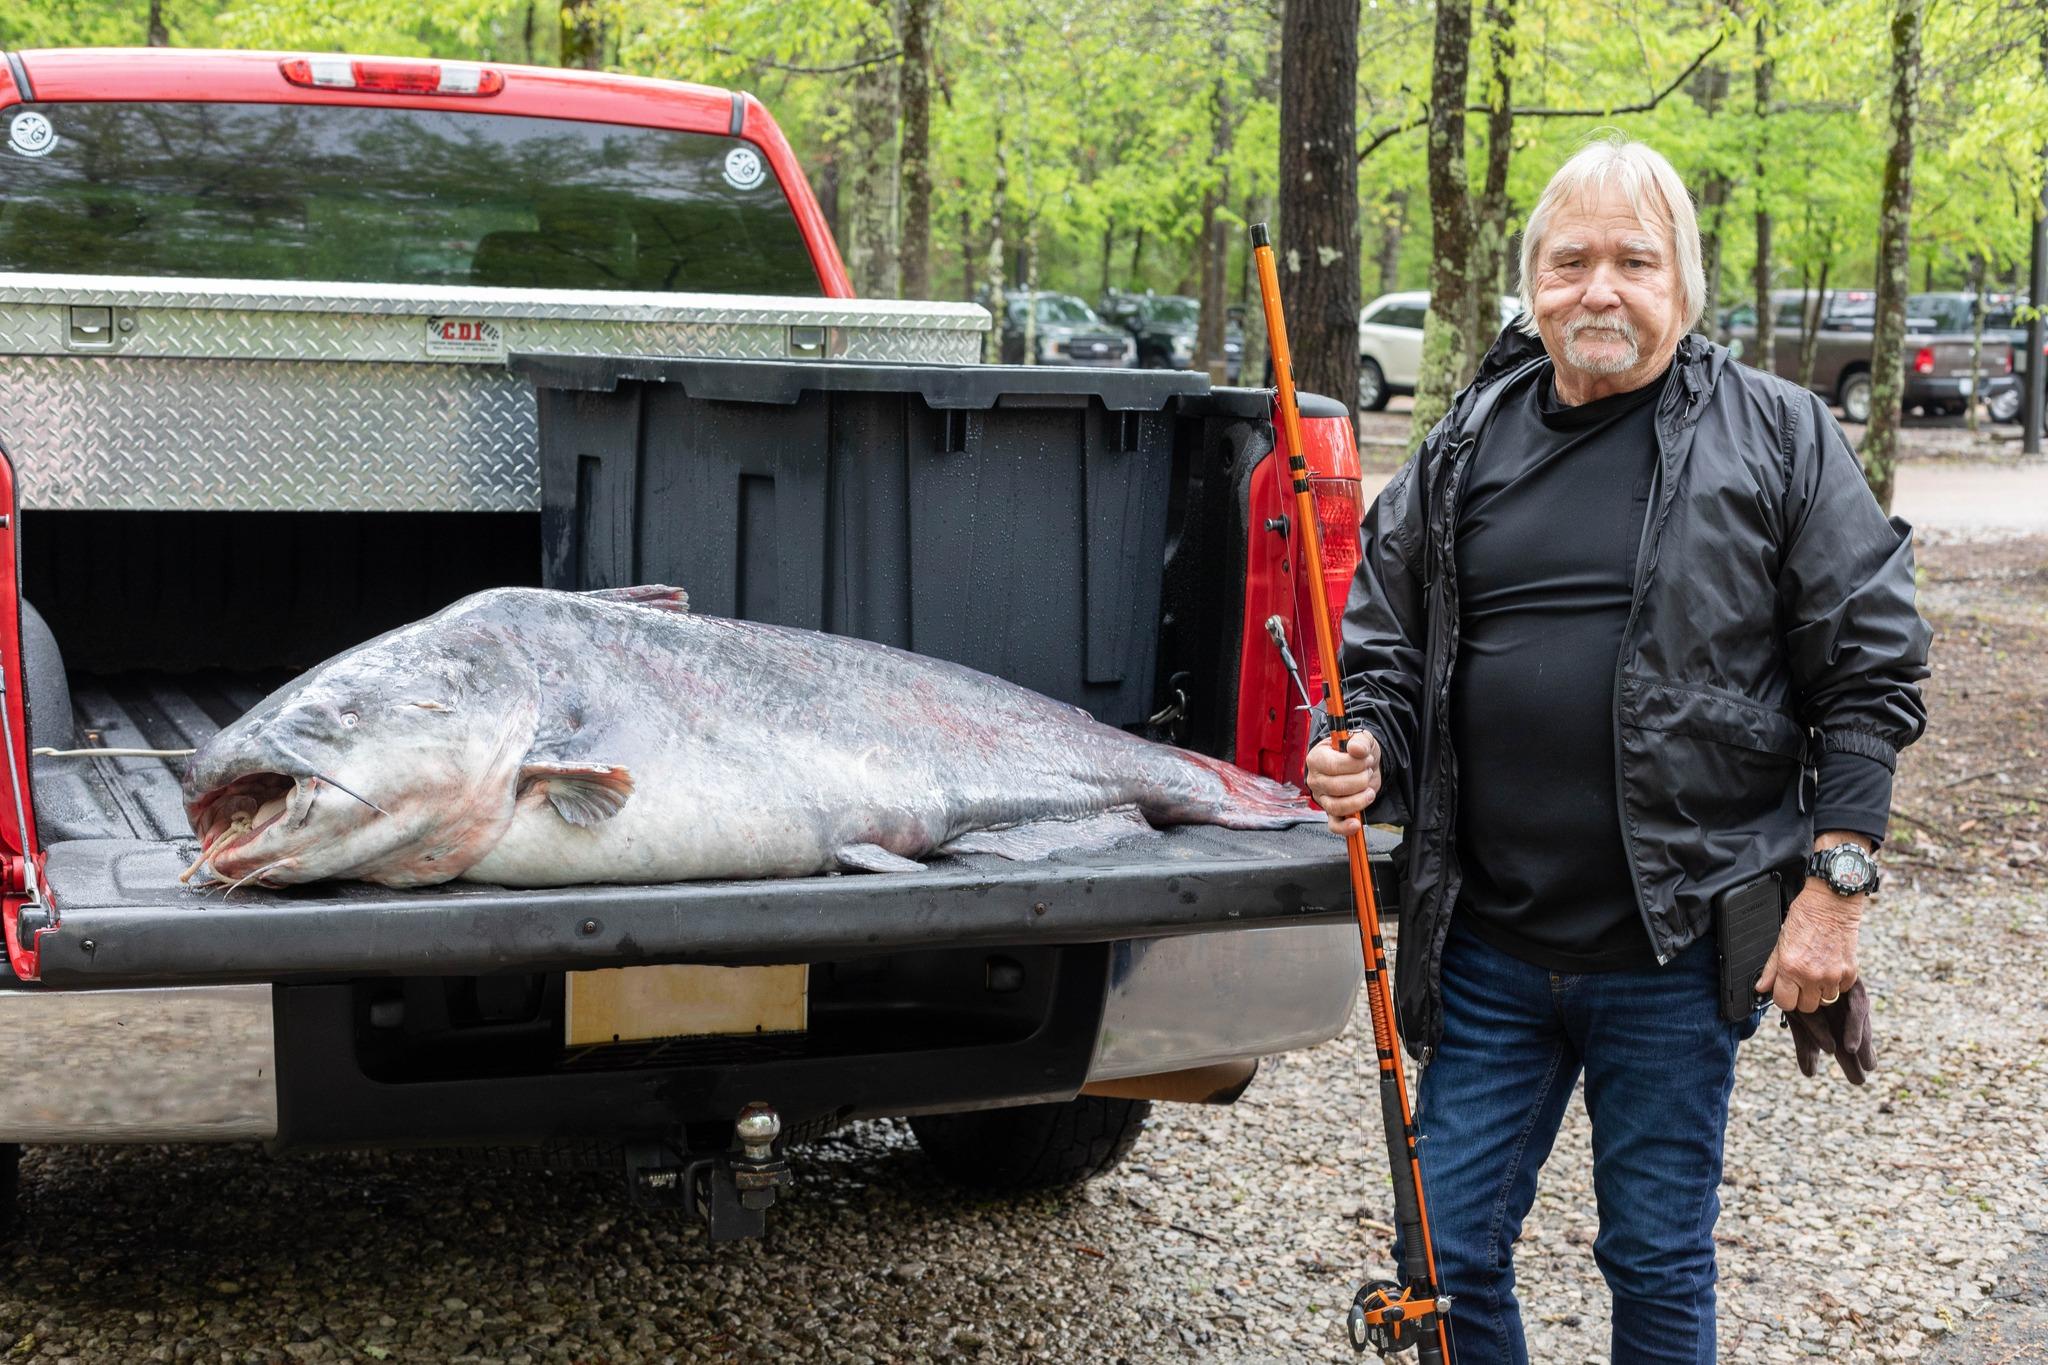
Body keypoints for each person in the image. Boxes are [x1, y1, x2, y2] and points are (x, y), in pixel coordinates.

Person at [1305, 132, 1930, 1365]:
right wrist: (1365, 742)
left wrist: (1834, 892)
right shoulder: (1463, 444)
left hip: (1674, 946)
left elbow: (1867, 667)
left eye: (1632, 261)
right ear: (1530, 284)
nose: (1598, 289)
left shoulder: (1779, 435)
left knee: (1652, 1255)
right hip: (1486, 942)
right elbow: (1382, 650)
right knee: (1441, 1256)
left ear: (1682, 282)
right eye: (1569, 261)